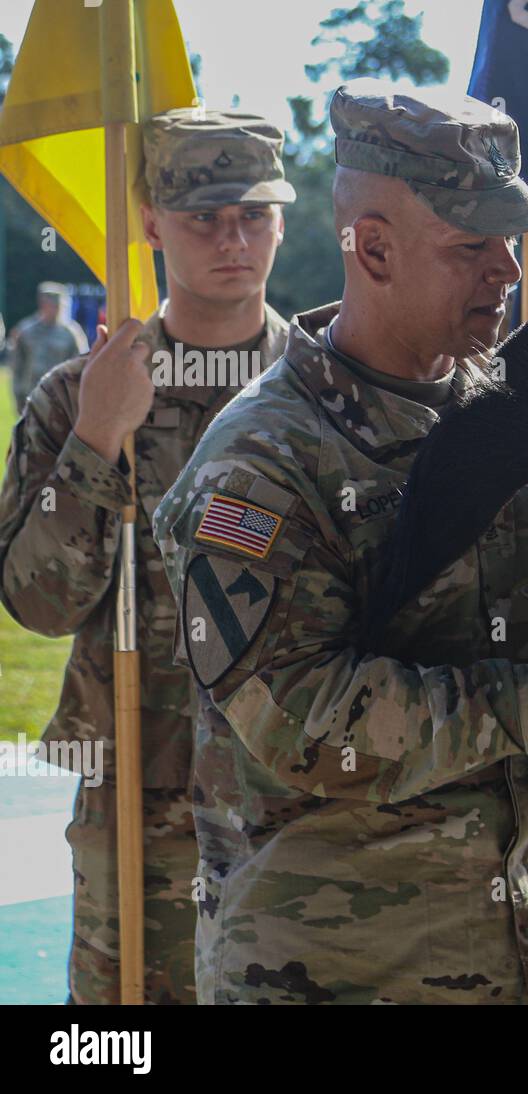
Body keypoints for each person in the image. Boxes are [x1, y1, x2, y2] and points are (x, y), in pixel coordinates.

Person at [154, 82, 528, 1005]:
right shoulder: (263, 462)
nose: (507, 272)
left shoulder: (521, 418)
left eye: (510, 242)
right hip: (342, 968)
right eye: (472, 246)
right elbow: (308, 722)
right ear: (373, 246)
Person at [0, 110, 295, 1003]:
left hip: (301, 810)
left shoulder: (328, 390)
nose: (232, 239)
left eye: (254, 214)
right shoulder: (79, 394)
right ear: (151, 223)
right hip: (138, 803)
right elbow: (39, 604)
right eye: (203, 216)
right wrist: (97, 436)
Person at [8, 283, 88, 409]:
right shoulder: (26, 330)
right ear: (42, 304)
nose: (54, 309)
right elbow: (17, 364)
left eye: (58, 305)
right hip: (31, 395)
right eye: (50, 304)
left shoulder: (71, 333)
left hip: (60, 398)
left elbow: (81, 365)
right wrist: (18, 394)